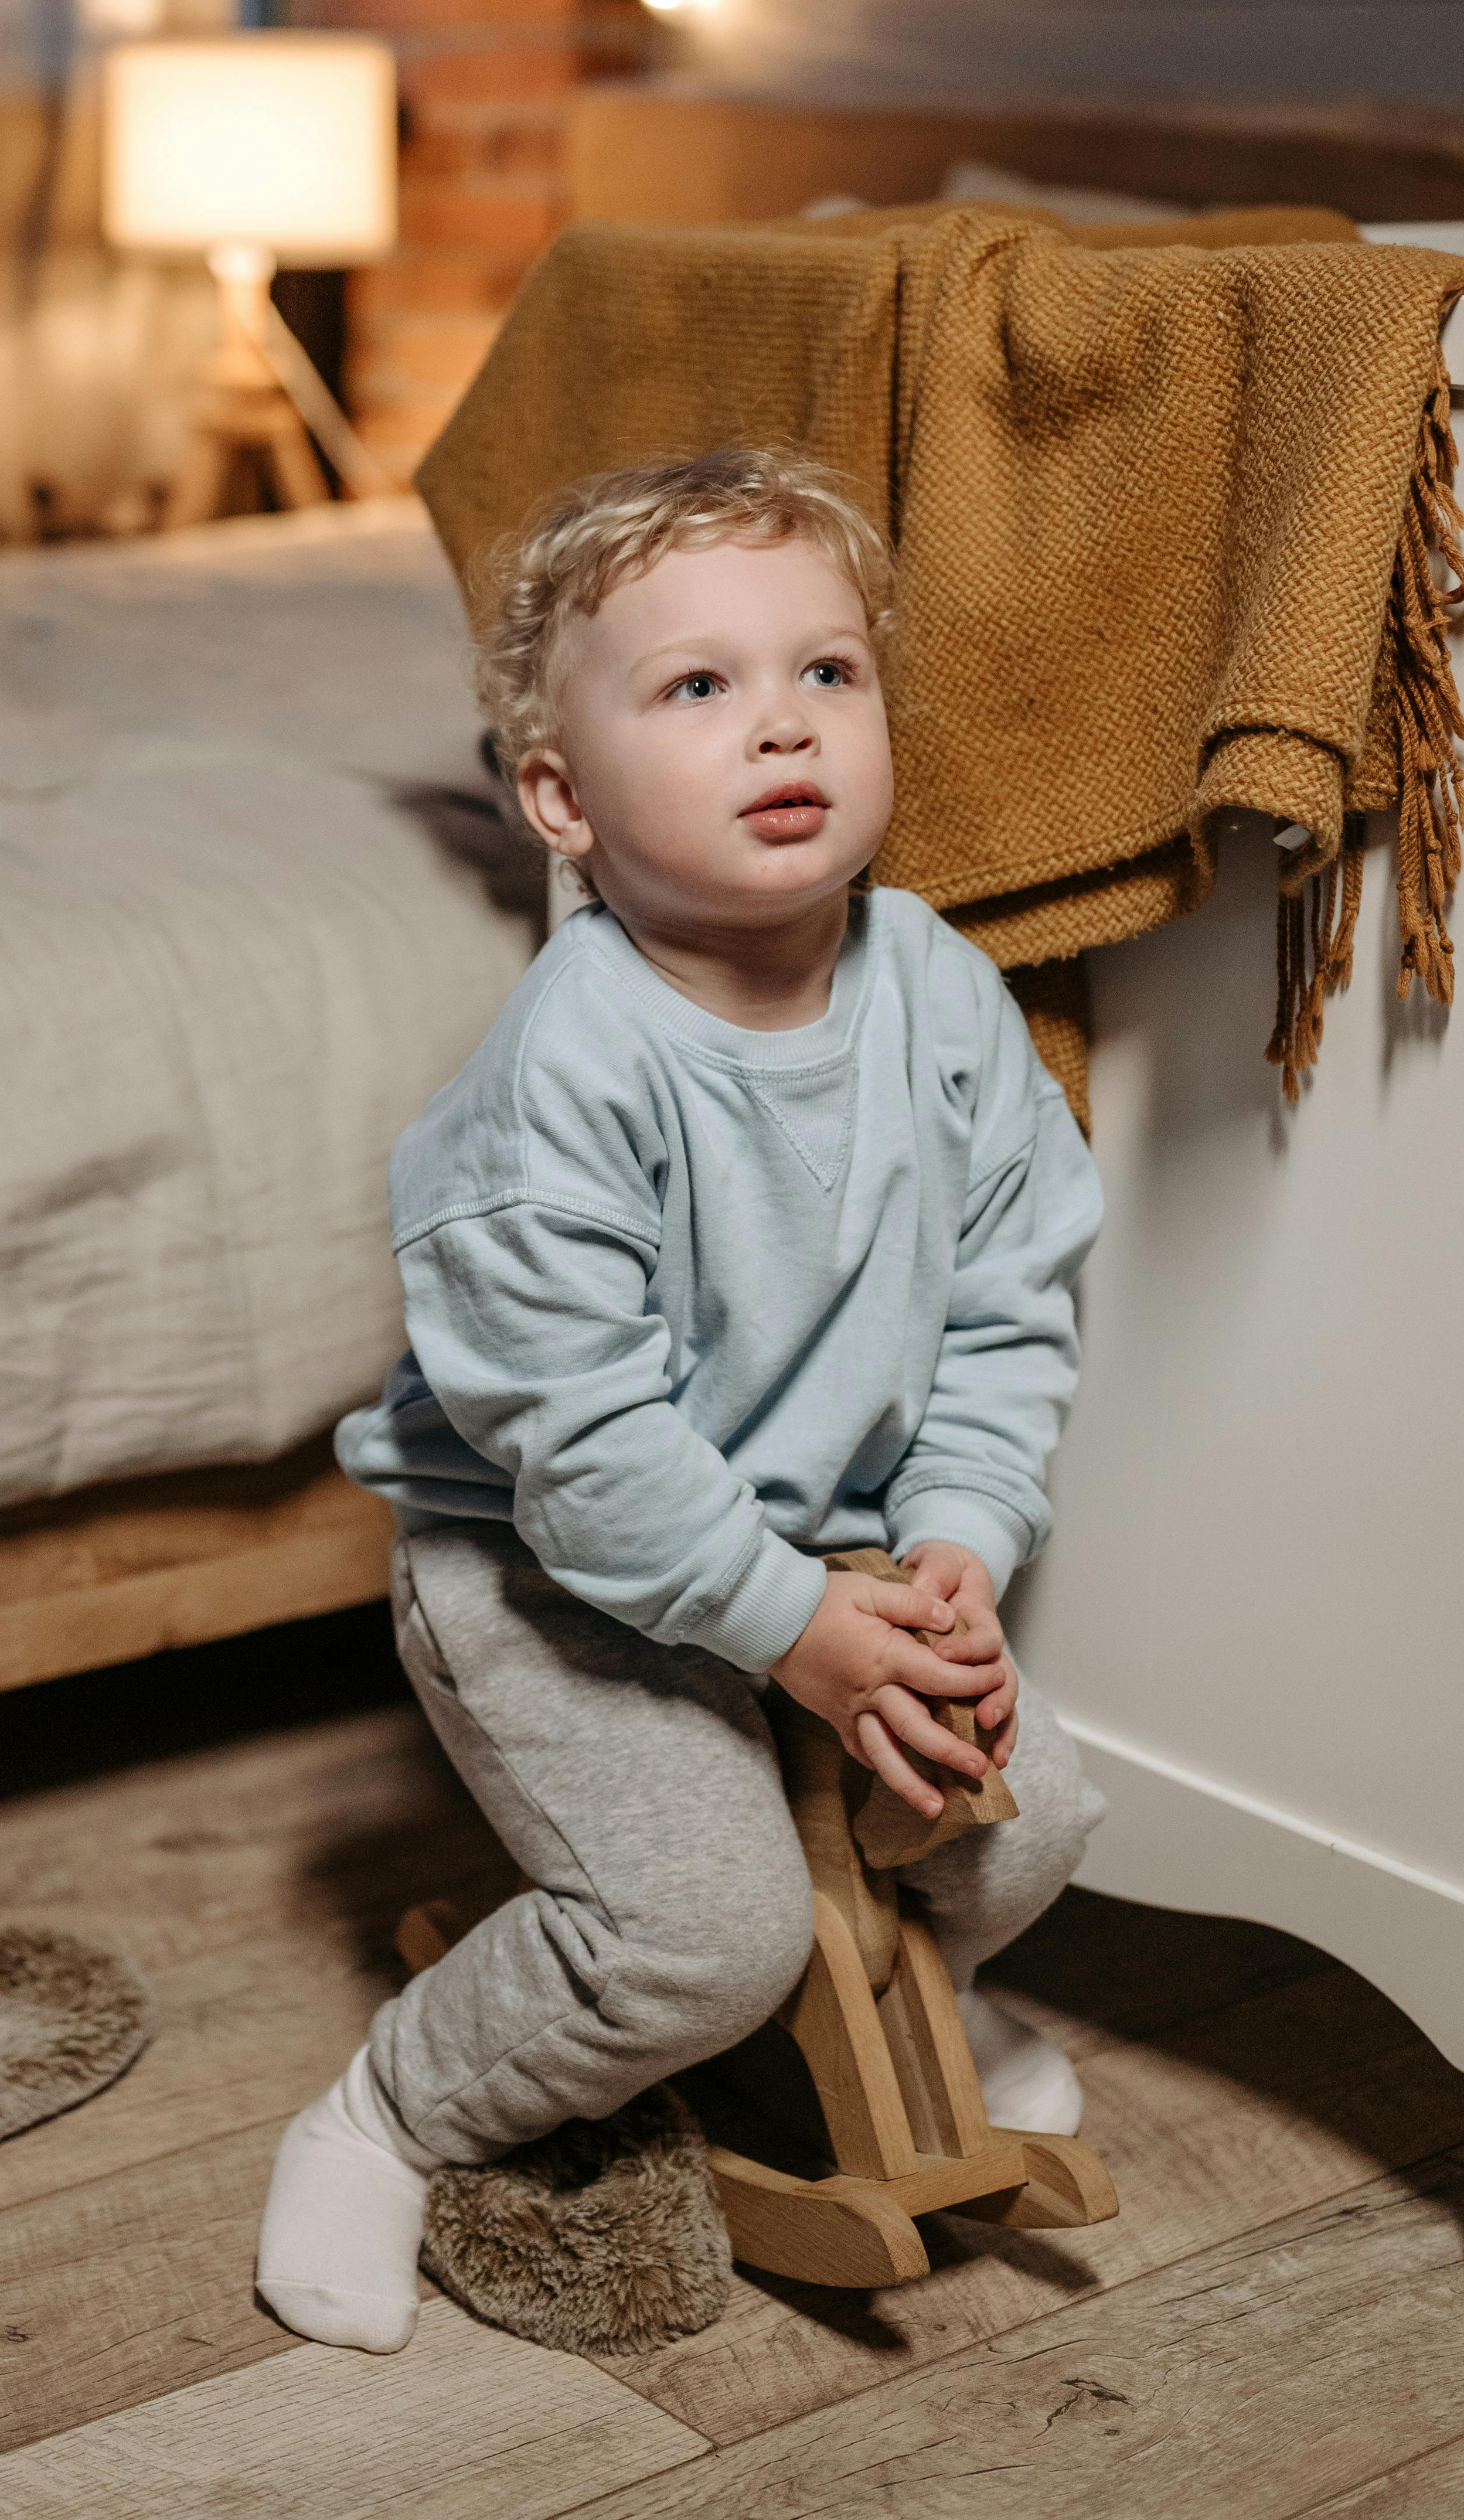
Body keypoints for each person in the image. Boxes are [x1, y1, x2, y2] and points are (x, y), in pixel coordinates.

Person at [255, 445, 1106, 2352]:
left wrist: (957, 1543)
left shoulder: (941, 997)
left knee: (1030, 1812)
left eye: (825, 673)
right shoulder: (564, 1079)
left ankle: (897, 2003)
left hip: (838, 1541)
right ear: (559, 799)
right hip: (551, 1566)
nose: (781, 727)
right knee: (694, 1935)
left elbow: (1005, 1305)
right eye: (698, 690)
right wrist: (787, 1626)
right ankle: (393, 2112)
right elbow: (585, 1446)